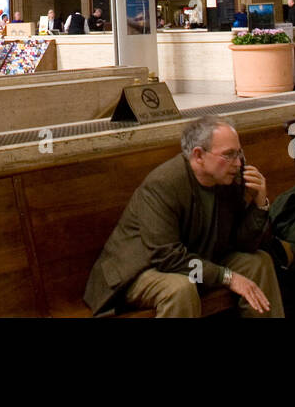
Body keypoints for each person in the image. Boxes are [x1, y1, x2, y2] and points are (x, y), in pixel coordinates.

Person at [84, 115, 284, 318]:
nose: (238, 162)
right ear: (198, 155)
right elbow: (167, 257)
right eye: (229, 154)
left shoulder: (227, 179)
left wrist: (260, 204)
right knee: (180, 289)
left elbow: (244, 244)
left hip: (196, 258)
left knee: (258, 262)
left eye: (239, 153)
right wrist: (227, 277)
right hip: (140, 270)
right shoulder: (163, 185)